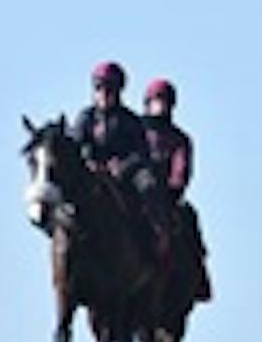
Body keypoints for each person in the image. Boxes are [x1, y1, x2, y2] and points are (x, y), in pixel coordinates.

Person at [72, 61, 168, 258]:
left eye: (110, 89)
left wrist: (121, 167)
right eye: (100, 88)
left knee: (148, 184)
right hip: (93, 173)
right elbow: (76, 146)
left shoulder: (130, 121)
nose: (104, 94)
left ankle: (158, 235)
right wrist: (88, 162)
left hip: (125, 175)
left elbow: (141, 153)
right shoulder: (85, 118)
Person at [143, 78, 212, 301]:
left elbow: (181, 168)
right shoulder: (136, 131)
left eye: (165, 102)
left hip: (165, 196)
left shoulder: (180, 139)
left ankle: (198, 277)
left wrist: (174, 187)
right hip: (135, 190)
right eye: (157, 101)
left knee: (188, 218)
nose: (160, 106)